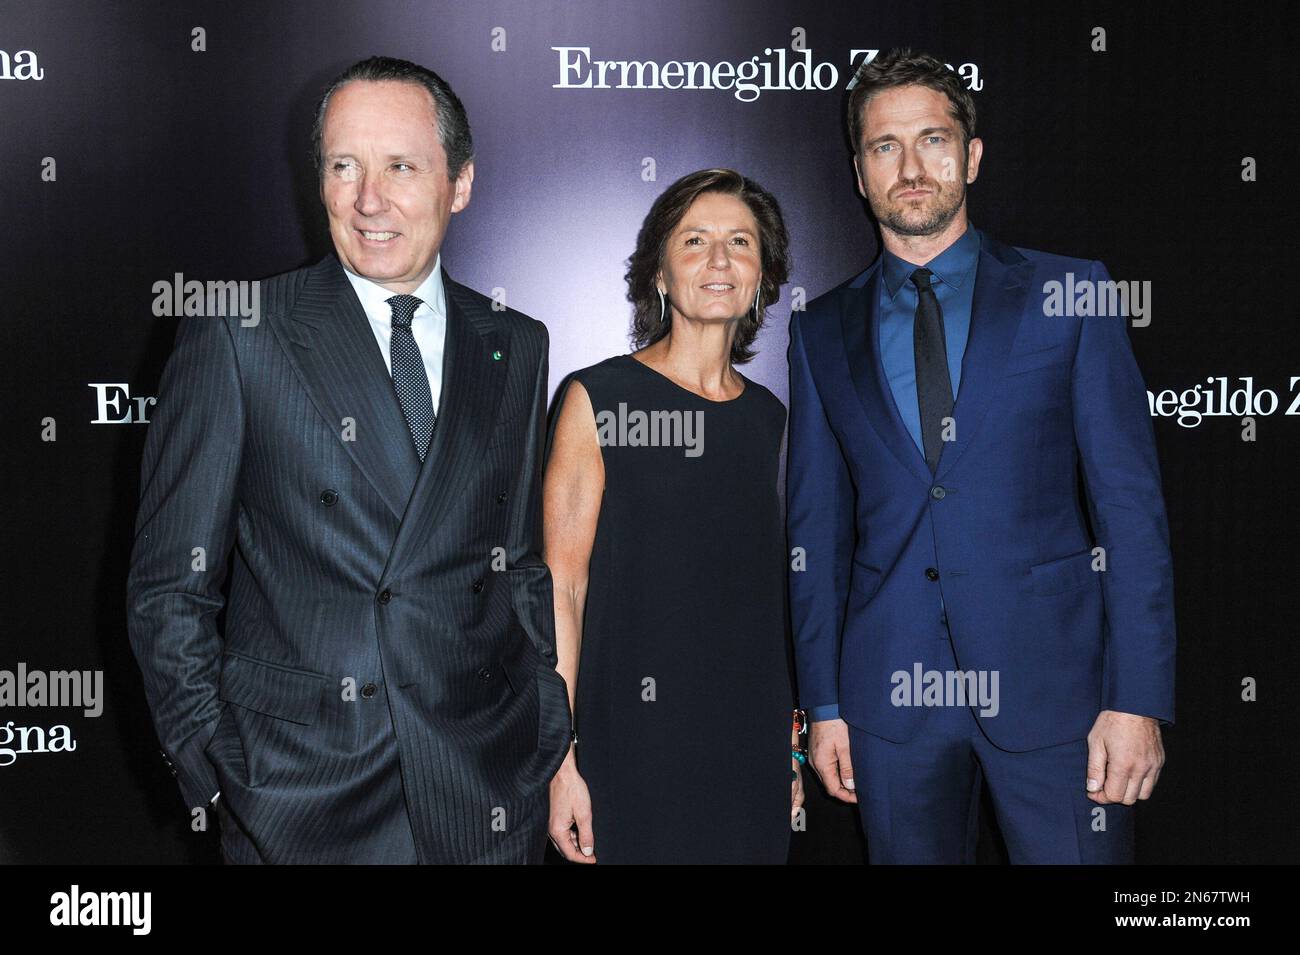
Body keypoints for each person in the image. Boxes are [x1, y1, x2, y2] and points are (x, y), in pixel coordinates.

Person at [126, 56, 571, 864]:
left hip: (485, 786)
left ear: (459, 183)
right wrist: (220, 767)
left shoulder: (515, 342)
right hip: (302, 795)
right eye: (344, 166)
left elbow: (519, 564)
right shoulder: (241, 331)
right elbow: (169, 584)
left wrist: (543, 720)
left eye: (400, 166)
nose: (370, 200)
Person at [787, 49, 1175, 864]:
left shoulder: (1071, 292)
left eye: (933, 139)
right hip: (886, 706)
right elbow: (815, 535)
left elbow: (1131, 512)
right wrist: (823, 702)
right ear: (859, 172)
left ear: (972, 155)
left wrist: (1138, 699)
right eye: (884, 146)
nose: (911, 166)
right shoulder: (818, 330)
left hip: (1059, 699)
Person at [544, 169, 802, 863]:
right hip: (627, 743)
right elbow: (561, 589)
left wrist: (786, 744)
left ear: (762, 276)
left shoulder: (772, 419)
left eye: (739, 242)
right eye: (695, 241)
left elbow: (768, 600)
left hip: (747, 745)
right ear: (660, 271)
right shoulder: (597, 398)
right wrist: (560, 758)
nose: (719, 260)